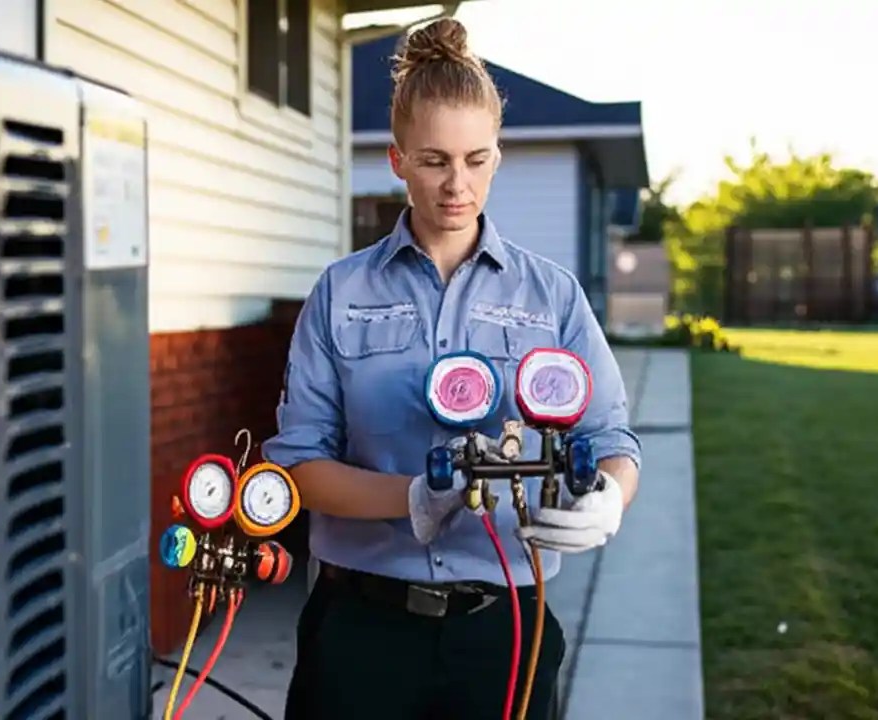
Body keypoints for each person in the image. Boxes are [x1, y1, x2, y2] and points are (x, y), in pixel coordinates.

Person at [261, 17, 641, 720]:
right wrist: (408, 498)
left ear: (497, 158)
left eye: (475, 159)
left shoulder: (551, 295)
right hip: (361, 629)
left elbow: (615, 438)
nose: (456, 184)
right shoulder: (342, 293)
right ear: (398, 159)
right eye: (434, 160)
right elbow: (297, 467)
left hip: (503, 631)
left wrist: (609, 501)